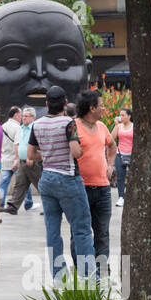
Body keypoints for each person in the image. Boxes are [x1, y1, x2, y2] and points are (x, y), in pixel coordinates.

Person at [27, 86, 94, 281]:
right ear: (65, 103)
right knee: (81, 228)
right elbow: (75, 152)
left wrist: (47, 154)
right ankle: (87, 274)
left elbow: (30, 154)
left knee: (52, 230)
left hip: (46, 179)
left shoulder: (37, 125)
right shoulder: (68, 123)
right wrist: (80, 150)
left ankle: (58, 275)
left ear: (46, 104)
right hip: (67, 178)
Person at [74, 90, 115, 275]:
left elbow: (112, 145)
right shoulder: (73, 127)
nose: (104, 108)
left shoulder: (102, 127)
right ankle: (83, 268)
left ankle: (102, 268)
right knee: (81, 232)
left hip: (103, 188)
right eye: (101, 105)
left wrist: (111, 165)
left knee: (103, 231)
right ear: (91, 108)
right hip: (80, 188)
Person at [3, 107, 39, 214]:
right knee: (20, 183)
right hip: (23, 161)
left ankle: (51, 206)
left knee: (40, 184)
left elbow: (38, 144)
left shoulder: (35, 128)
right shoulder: (21, 128)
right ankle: (13, 206)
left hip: (33, 161)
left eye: (26, 116)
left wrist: (31, 156)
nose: (23, 118)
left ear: (33, 117)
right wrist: (17, 159)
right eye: (23, 115)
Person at [110, 107, 133, 206]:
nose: (121, 117)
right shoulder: (119, 126)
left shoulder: (134, 126)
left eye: (123, 115)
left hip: (132, 154)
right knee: (120, 176)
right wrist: (116, 125)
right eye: (120, 115)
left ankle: (132, 196)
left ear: (129, 116)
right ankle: (121, 197)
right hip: (120, 153)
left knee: (133, 176)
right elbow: (111, 138)